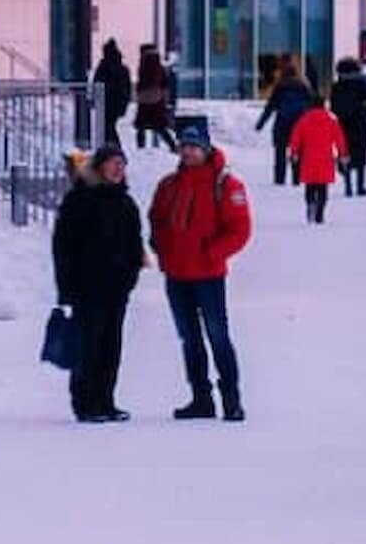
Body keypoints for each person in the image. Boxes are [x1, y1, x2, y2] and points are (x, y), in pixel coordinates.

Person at [149, 126, 254, 422]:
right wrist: (161, 247)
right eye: (184, 146)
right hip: (176, 274)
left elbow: (240, 229)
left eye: (194, 147)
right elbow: (156, 218)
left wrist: (211, 253)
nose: (188, 152)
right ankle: (201, 398)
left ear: (206, 149)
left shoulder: (226, 185)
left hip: (208, 275)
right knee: (189, 339)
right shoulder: (169, 185)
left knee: (217, 336)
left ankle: (232, 400)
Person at [51, 146, 144, 423]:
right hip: (86, 287)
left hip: (116, 288)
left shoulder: (125, 203)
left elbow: (134, 245)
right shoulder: (79, 200)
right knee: (88, 344)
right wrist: (66, 287)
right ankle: (85, 402)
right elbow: (63, 246)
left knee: (111, 345)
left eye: (121, 164)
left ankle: (106, 400)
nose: (118, 169)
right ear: (99, 167)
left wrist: (130, 278)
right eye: (113, 164)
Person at [288, 94, 348, 225]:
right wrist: (343, 154)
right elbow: (339, 139)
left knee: (310, 186)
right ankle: (320, 212)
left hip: (308, 158)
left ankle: (310, 205)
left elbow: (295, 138)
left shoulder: (303, 120)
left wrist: (294, 153)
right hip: (325, 159)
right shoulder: (331, 120)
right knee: (322, 188)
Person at [255, 58, 313, 187]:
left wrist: (260, 123)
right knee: (297, 152)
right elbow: (312, 106)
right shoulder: (303, 86)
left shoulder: (280, 87)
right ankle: (297, 178)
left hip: (282, 123)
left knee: (280, 153)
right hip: (299, 125)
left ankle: (279, 179)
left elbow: (270, 107)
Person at [330, 57, 366, 198]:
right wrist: (363, 113)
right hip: (360, 124)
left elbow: (333, 106)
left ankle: (348, 185)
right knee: (361, 154)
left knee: (345, 153)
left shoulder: (337, 86)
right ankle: (360, 185)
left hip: (343, 124)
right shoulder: (362, 85)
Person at [134, 44, 177, 151]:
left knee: (141, 127)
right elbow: (165, 83)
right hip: (158, 98)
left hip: (144, 99)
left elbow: (141, 83)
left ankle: (141, 147)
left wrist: (139, 93)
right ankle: (173, 146)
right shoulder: (159, 66)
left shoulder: (143, 65)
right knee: (160, 126)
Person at [93, 39, 132, 148]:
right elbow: (126, 87)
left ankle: (114, 148)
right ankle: (112, 147)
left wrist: (94, 98)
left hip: (106, 101)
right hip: (116, 102)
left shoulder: (103, 67)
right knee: (109, 126)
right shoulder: (122, 68)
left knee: (108, 126)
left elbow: (97, 82)